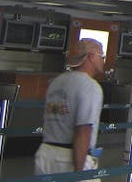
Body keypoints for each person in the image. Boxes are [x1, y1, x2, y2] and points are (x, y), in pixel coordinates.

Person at [35, 38, 105, 176]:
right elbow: (83, 130)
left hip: (45, 154)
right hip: (70, 158)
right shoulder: (89, 86)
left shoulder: (56, 82)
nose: (103, 61)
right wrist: (79, 174)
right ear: (91, 57)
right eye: (102, 57)